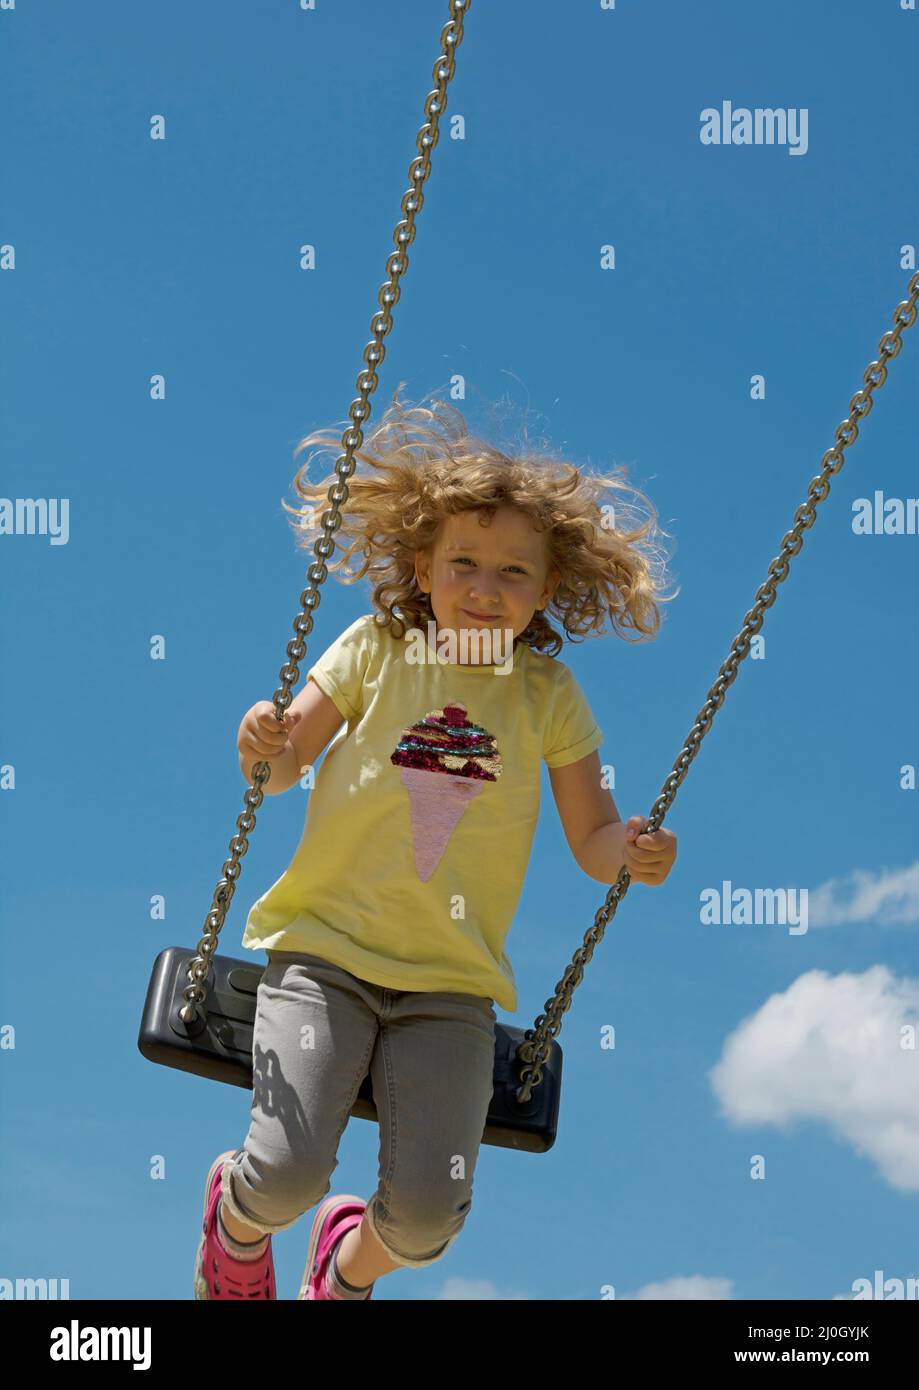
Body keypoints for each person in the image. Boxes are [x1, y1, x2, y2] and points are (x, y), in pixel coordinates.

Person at [194, 387, 680, 1300]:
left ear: (545, 592)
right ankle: (236, 1220)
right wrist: (260, 738)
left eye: (513, 574)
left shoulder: (548, 696)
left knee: (425, 1218)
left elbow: (592, 834)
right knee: (287, 1175)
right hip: (326, 953)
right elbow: (286, 758)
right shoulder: (376, 647)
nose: (485, 590)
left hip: (451, 984)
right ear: (423, 568)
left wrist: (633, 852)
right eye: (464, 563)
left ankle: (343, 1271)